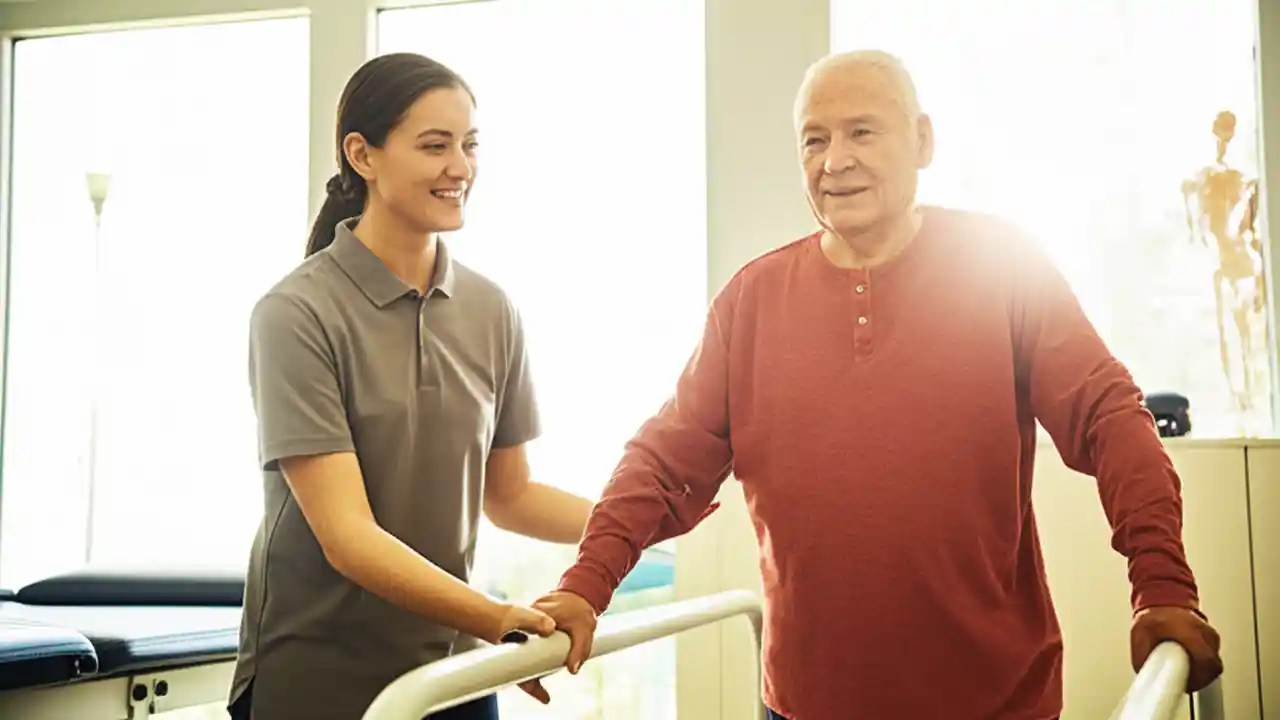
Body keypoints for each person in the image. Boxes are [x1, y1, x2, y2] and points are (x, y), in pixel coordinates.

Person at [531, 50, 1225, 719]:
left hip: (995, 705)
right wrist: (584, 586)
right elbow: (661, 462)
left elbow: (1109, 416)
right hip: (808, 707)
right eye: (814, 140)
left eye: (862, 132)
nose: (835, 161)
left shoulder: (1001, 265)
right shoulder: (751, 301)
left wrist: (1162, 584)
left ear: (922, 140)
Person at [229, 53, 595, 720]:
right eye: (435, 146)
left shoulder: (490, 309)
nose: (461, 167)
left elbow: (510, 496)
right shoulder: (295, 314)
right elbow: (347, 535)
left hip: (449, 673)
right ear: (362, 155)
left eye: (469, 145)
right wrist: (495, 617)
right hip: (319, 681)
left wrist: (640, 524)